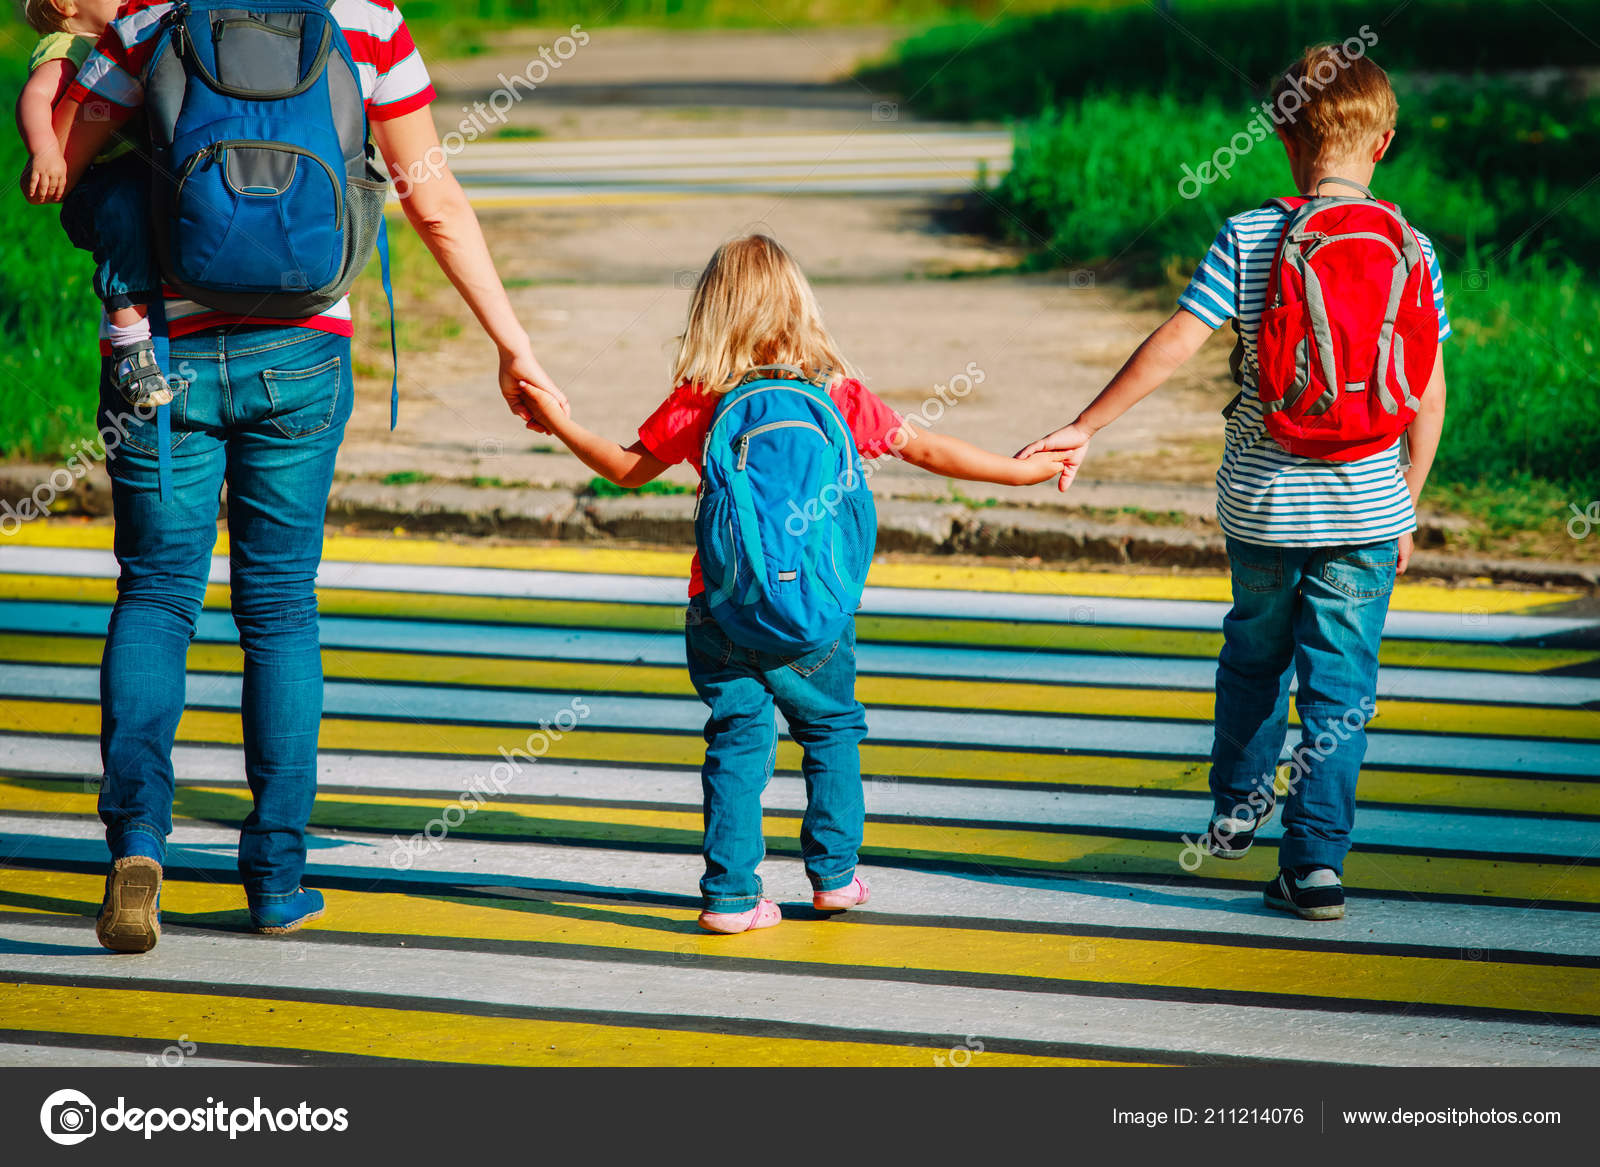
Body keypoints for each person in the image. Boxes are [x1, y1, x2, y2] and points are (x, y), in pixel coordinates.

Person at [45, 0, 565, 952]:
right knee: (279, 606)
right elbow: (431, 196)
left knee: (157, 594)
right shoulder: (367, 19)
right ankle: (276, 882)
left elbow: (60, 173)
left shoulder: (154, 15)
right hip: (302, 354)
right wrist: (511, 341)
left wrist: (75, 65)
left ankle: (136, 847)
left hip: (162, 354)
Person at [518, 233, 1068, 933]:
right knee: (832, 728)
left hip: (721, 608)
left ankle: (729, 895)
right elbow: (927, 448)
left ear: (713, 311)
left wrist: (558, 421)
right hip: (816, 611)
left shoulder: (703, 398)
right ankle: (835, 877)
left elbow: (625, 468)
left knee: (737, 739)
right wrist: (1023, 470)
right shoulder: (835, 394)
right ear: (800, 305)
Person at [1019, 46, 1449, 921]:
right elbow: (1428, 390)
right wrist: (1407, 495)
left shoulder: (1252, 236)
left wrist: (1085, 424)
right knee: (1339, 689)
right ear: (1387, 142)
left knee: (1255, 651)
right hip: (1367, 508)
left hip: (1263, 505)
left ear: (1287, 139)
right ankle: (1316, 866)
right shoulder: (1415, 247)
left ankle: (1238, 802)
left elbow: (1176, 341)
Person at [16, 0, 171, 408]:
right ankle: (129, 344)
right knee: (125, 222)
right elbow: (34, 97)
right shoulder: (68, 47)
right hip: (104, 180)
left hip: (132, 170)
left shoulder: (120, 39)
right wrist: (46, 150)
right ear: (65, 5)